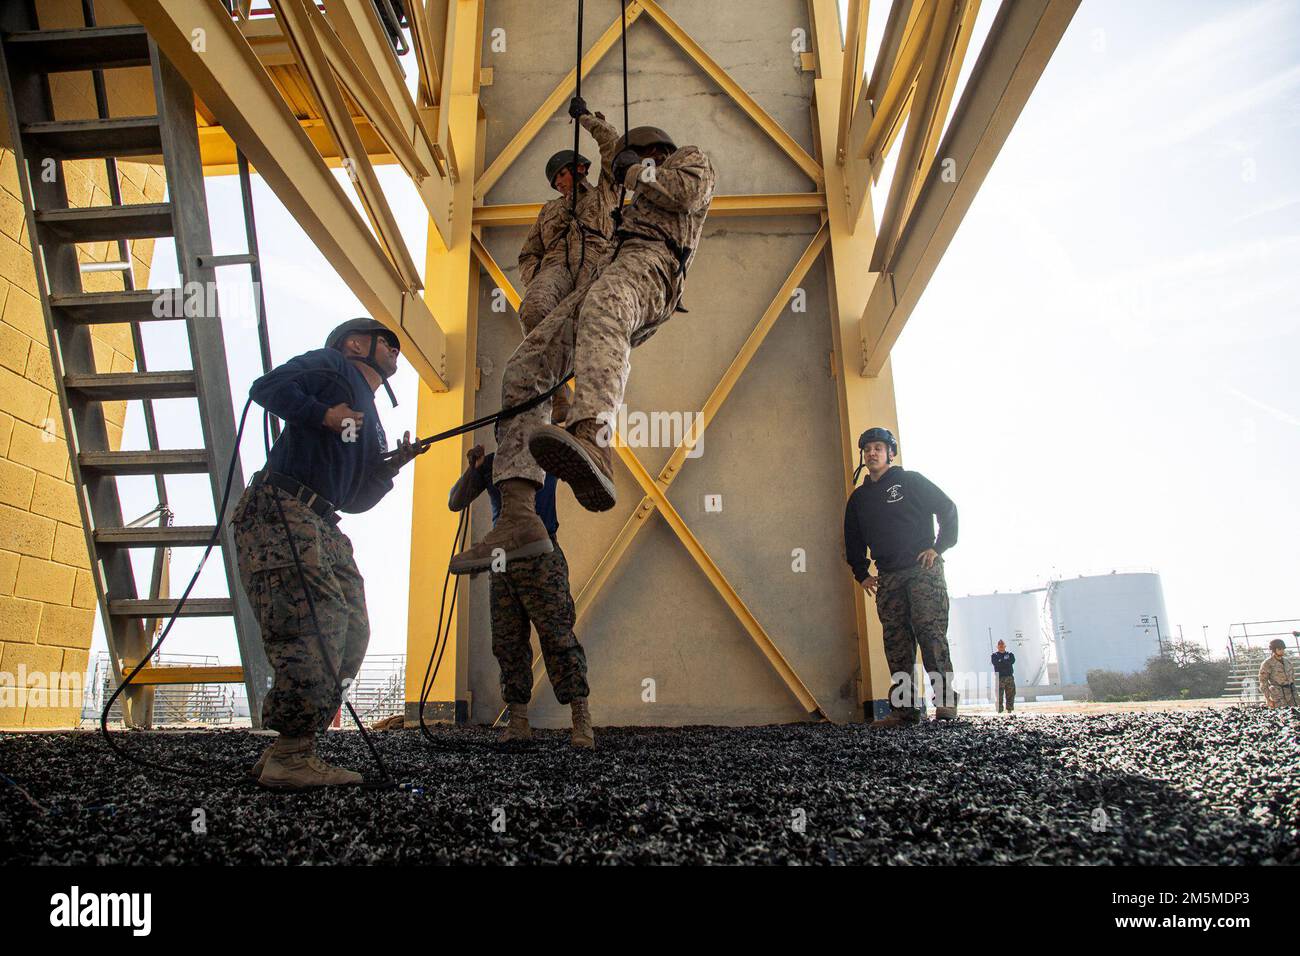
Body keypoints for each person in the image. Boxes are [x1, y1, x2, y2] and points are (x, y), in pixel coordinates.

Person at [449, 119, 716, 574]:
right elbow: (533, 254)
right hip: (598, 278)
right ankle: (518, 513)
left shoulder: (689, 160)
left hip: (653, 269)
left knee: (605, 306)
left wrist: (623, 159)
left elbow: (682, 193)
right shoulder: (563, 212)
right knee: (525, 365)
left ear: (655, 151)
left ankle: (592, 435)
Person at [232, 318, 418, 789]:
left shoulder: (370, 416)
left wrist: (390, 467)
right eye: (387, 342)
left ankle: (289, 748)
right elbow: (267, 387)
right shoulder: (333, 365)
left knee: (352, 627)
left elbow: (355, 499)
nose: (396, 350)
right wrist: (326, 415)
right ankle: (291, 756)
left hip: (323, 520)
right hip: (284, 507)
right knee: (318, 621)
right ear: (357, 344)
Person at [447, 439, 593, 748]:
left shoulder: (543, 454)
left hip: (543, 555)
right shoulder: (491, 464)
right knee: (507, 640)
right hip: (503, 561)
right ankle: (518, 721)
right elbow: (455, 501)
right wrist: (472, 471)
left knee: (558, 637)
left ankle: (581, 721)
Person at [843, 427, 960, 727]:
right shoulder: (859, 499)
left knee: (931, 635)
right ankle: (905, 711)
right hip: (888, 578)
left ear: (890, 453)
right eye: (868, 448)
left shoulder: (911, 482)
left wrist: (938, 547)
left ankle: (945, 703)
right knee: (896, 643)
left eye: (878, 448)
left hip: (923, 572)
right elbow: (852, 539)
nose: (872, 453)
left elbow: (948, 509)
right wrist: (861, 573)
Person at [1258, 638, 1296, 708]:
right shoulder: (1267, 663)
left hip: (1292, 695)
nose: (1282, 651)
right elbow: (1263, 682)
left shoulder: (1287, 662)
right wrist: (1267, 698)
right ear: (1273, 650)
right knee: (1282, 716)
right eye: (1279, 649)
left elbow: (1292, 678)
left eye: (1283, 649)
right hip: (1278, 696)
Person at [991, 639, 1016, 713]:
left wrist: (1001, 661)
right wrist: (1005, 662)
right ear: (997, 647)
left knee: (1011, 694)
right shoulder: (994, 655)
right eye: (1000, 645)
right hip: (1000, 677)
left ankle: (1009, 709)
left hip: (1009, 677)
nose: (1001, 646)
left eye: (1002, 645)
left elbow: (1012, 661)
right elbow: (996, 663)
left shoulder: (1010, 654)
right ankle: (999, 710)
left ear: (1005, 646)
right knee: (999, 695)